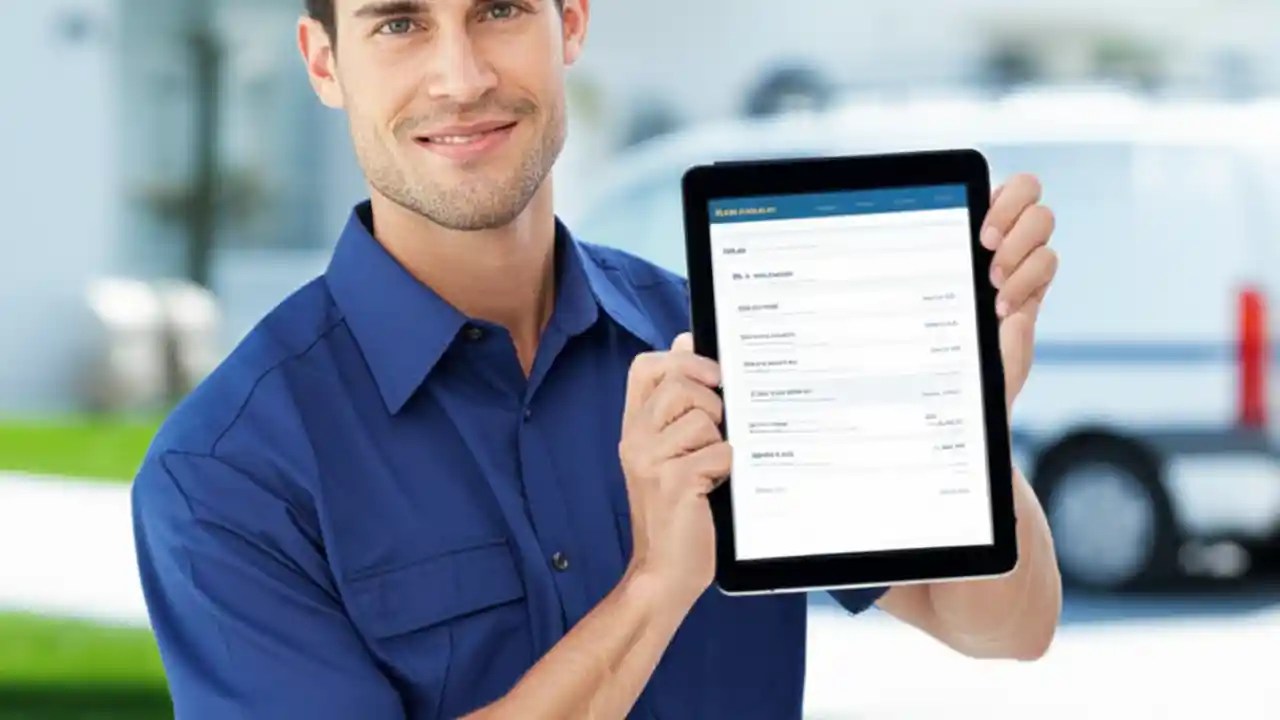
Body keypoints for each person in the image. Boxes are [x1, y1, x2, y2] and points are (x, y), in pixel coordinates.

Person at [130, 1, 1063, 718]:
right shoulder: (224, 474)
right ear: (324, 62)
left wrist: (968, 420)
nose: (460, 77)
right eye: (401, 23)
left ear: (570, 21)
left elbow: (1003, 627)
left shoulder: (722, 342)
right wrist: (655, 587)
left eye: (499, 10)